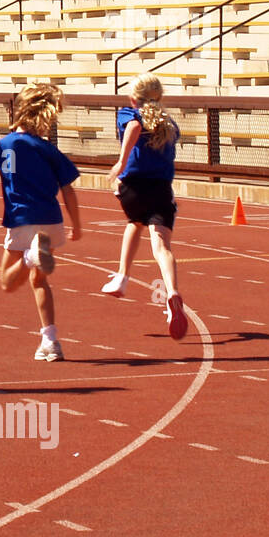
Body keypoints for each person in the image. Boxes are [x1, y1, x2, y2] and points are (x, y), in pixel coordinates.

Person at [0, 82, 82, 362]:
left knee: (7, 281)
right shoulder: (47, 149)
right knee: (40, 282)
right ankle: (50, 340)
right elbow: (68, 188)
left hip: (22, 218)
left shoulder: (0, 146)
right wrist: (76, 224)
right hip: (51, 220)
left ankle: (29, 257)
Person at [101, 75, 186, 340]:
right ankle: (172, 293)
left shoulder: (130, 114)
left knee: (134, 223)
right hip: (161, 188)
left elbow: (134, 127)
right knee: (162, 246)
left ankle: (123, 277)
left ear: (133, 98)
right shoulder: (168, 123)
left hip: (134, 186)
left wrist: (120, 162)